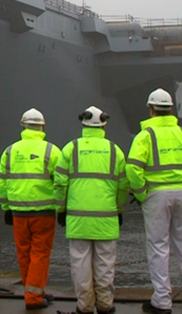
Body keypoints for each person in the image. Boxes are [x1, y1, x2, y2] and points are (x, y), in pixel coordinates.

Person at [126, 89, 182, 314]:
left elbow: (132, 168)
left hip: (156, 196)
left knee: (158, 248)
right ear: (171, 109)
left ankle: (162, 300)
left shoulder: (145, 136)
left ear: (151, 110)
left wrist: (141, 193)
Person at [54, 106, 128, 314]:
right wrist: (119, 210)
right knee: (105, 265)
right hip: (106, 219)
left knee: (80, 265)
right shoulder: (115, 150)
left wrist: (61, 209)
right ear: (104, 125)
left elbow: (60, 183)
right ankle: (105, 304)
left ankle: (84, 306)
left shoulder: (71, 149)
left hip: (78, 220)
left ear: (83, 124)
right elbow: (123, 185)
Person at [0, 108, 62, 310]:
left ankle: (33, 291)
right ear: (42, 127)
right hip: (43, 213)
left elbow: (2, 182)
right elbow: (60, 182)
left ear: (23, 127)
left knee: (24, 254)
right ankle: (33, 297)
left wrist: (6, 208)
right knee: (40, 254)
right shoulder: (51, 150)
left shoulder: (10, 151)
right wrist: (61, 207)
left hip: (18, 213)